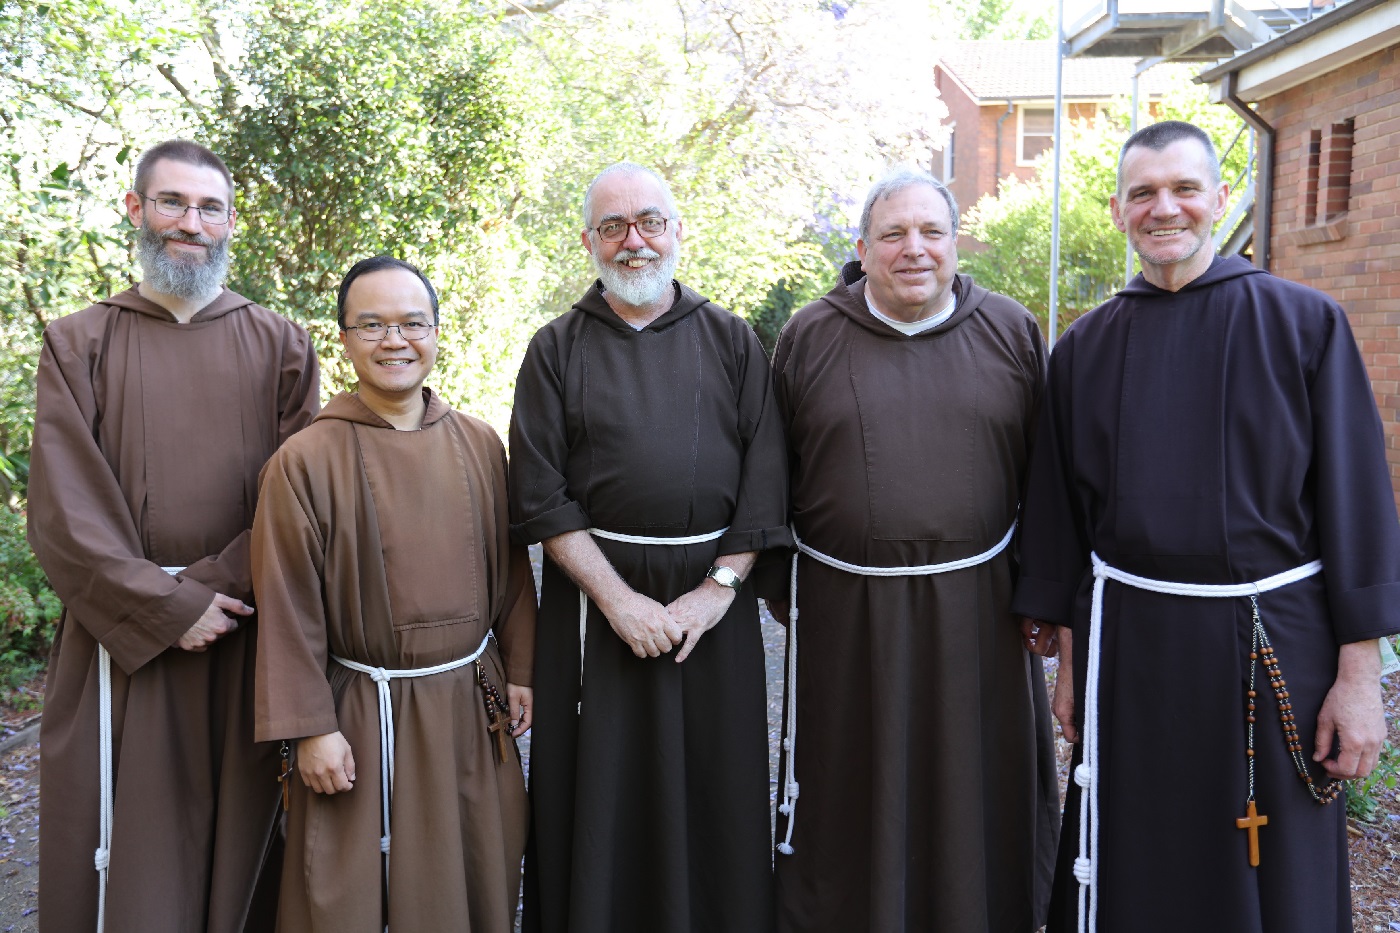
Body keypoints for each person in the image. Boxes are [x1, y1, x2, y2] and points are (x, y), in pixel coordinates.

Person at [1013, 120, 1400, 933]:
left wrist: (1361, 677)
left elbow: (1357, 500)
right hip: (1133, 647)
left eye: (1185, 189)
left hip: (1275, 643)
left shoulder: (1305, 323)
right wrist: (1069, 658)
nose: (1166, 209)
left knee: (1274, 856)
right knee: (1138, 853)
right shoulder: (1083, 350)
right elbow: (1062, 516)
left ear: (1220, 199)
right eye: (1144, 193)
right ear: (1118, 210)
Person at [27, 139, 320, 932]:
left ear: (231, 223)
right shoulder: (80, 341)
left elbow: (299, 500)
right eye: (173, 203)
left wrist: (214, 592)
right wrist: (164, 606)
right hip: (121, 640)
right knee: (130, 856)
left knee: (245, 851)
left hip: (244, 635)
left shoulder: (283, 345)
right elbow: (63, 506)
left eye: (210, 208)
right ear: (137, 209)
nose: (191, 223)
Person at [767, 167, 1059, 932]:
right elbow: (771, 475)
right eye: (893, 234)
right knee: (850, 783)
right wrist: (782, 591)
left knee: (973, 787)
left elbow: (1051, 480)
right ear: (862, 248)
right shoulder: (809, 334)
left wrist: (1047, 594)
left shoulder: (1011, 330)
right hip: (846, 613)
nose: (914, 250)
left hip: (983, 616)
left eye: (931, 232)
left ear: (956, 243)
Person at [510, 162, 790, 933]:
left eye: (649, 222)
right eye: (613, 227)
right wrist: (619, 601)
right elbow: (539, 492)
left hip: (712, 611)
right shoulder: (555, 349)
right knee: (601, 794)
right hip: (597, 611)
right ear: (588, 242)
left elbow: (766, 485)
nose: (634, 241)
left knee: (717, 789)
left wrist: (716, 591)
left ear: (676, 230)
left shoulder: (732, 339)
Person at [251, 256, 537, 932]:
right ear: (345, 339)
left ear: (436, 333)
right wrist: (312, 728)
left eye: (412, 323)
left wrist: (522, 667)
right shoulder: (304, 460)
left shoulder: (478, 443)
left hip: (470, 705)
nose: (394, 340)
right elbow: (285, 602)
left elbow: (513, 570)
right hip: (360, 714)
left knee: (474, 872)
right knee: (348, 891)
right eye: (372, 325)